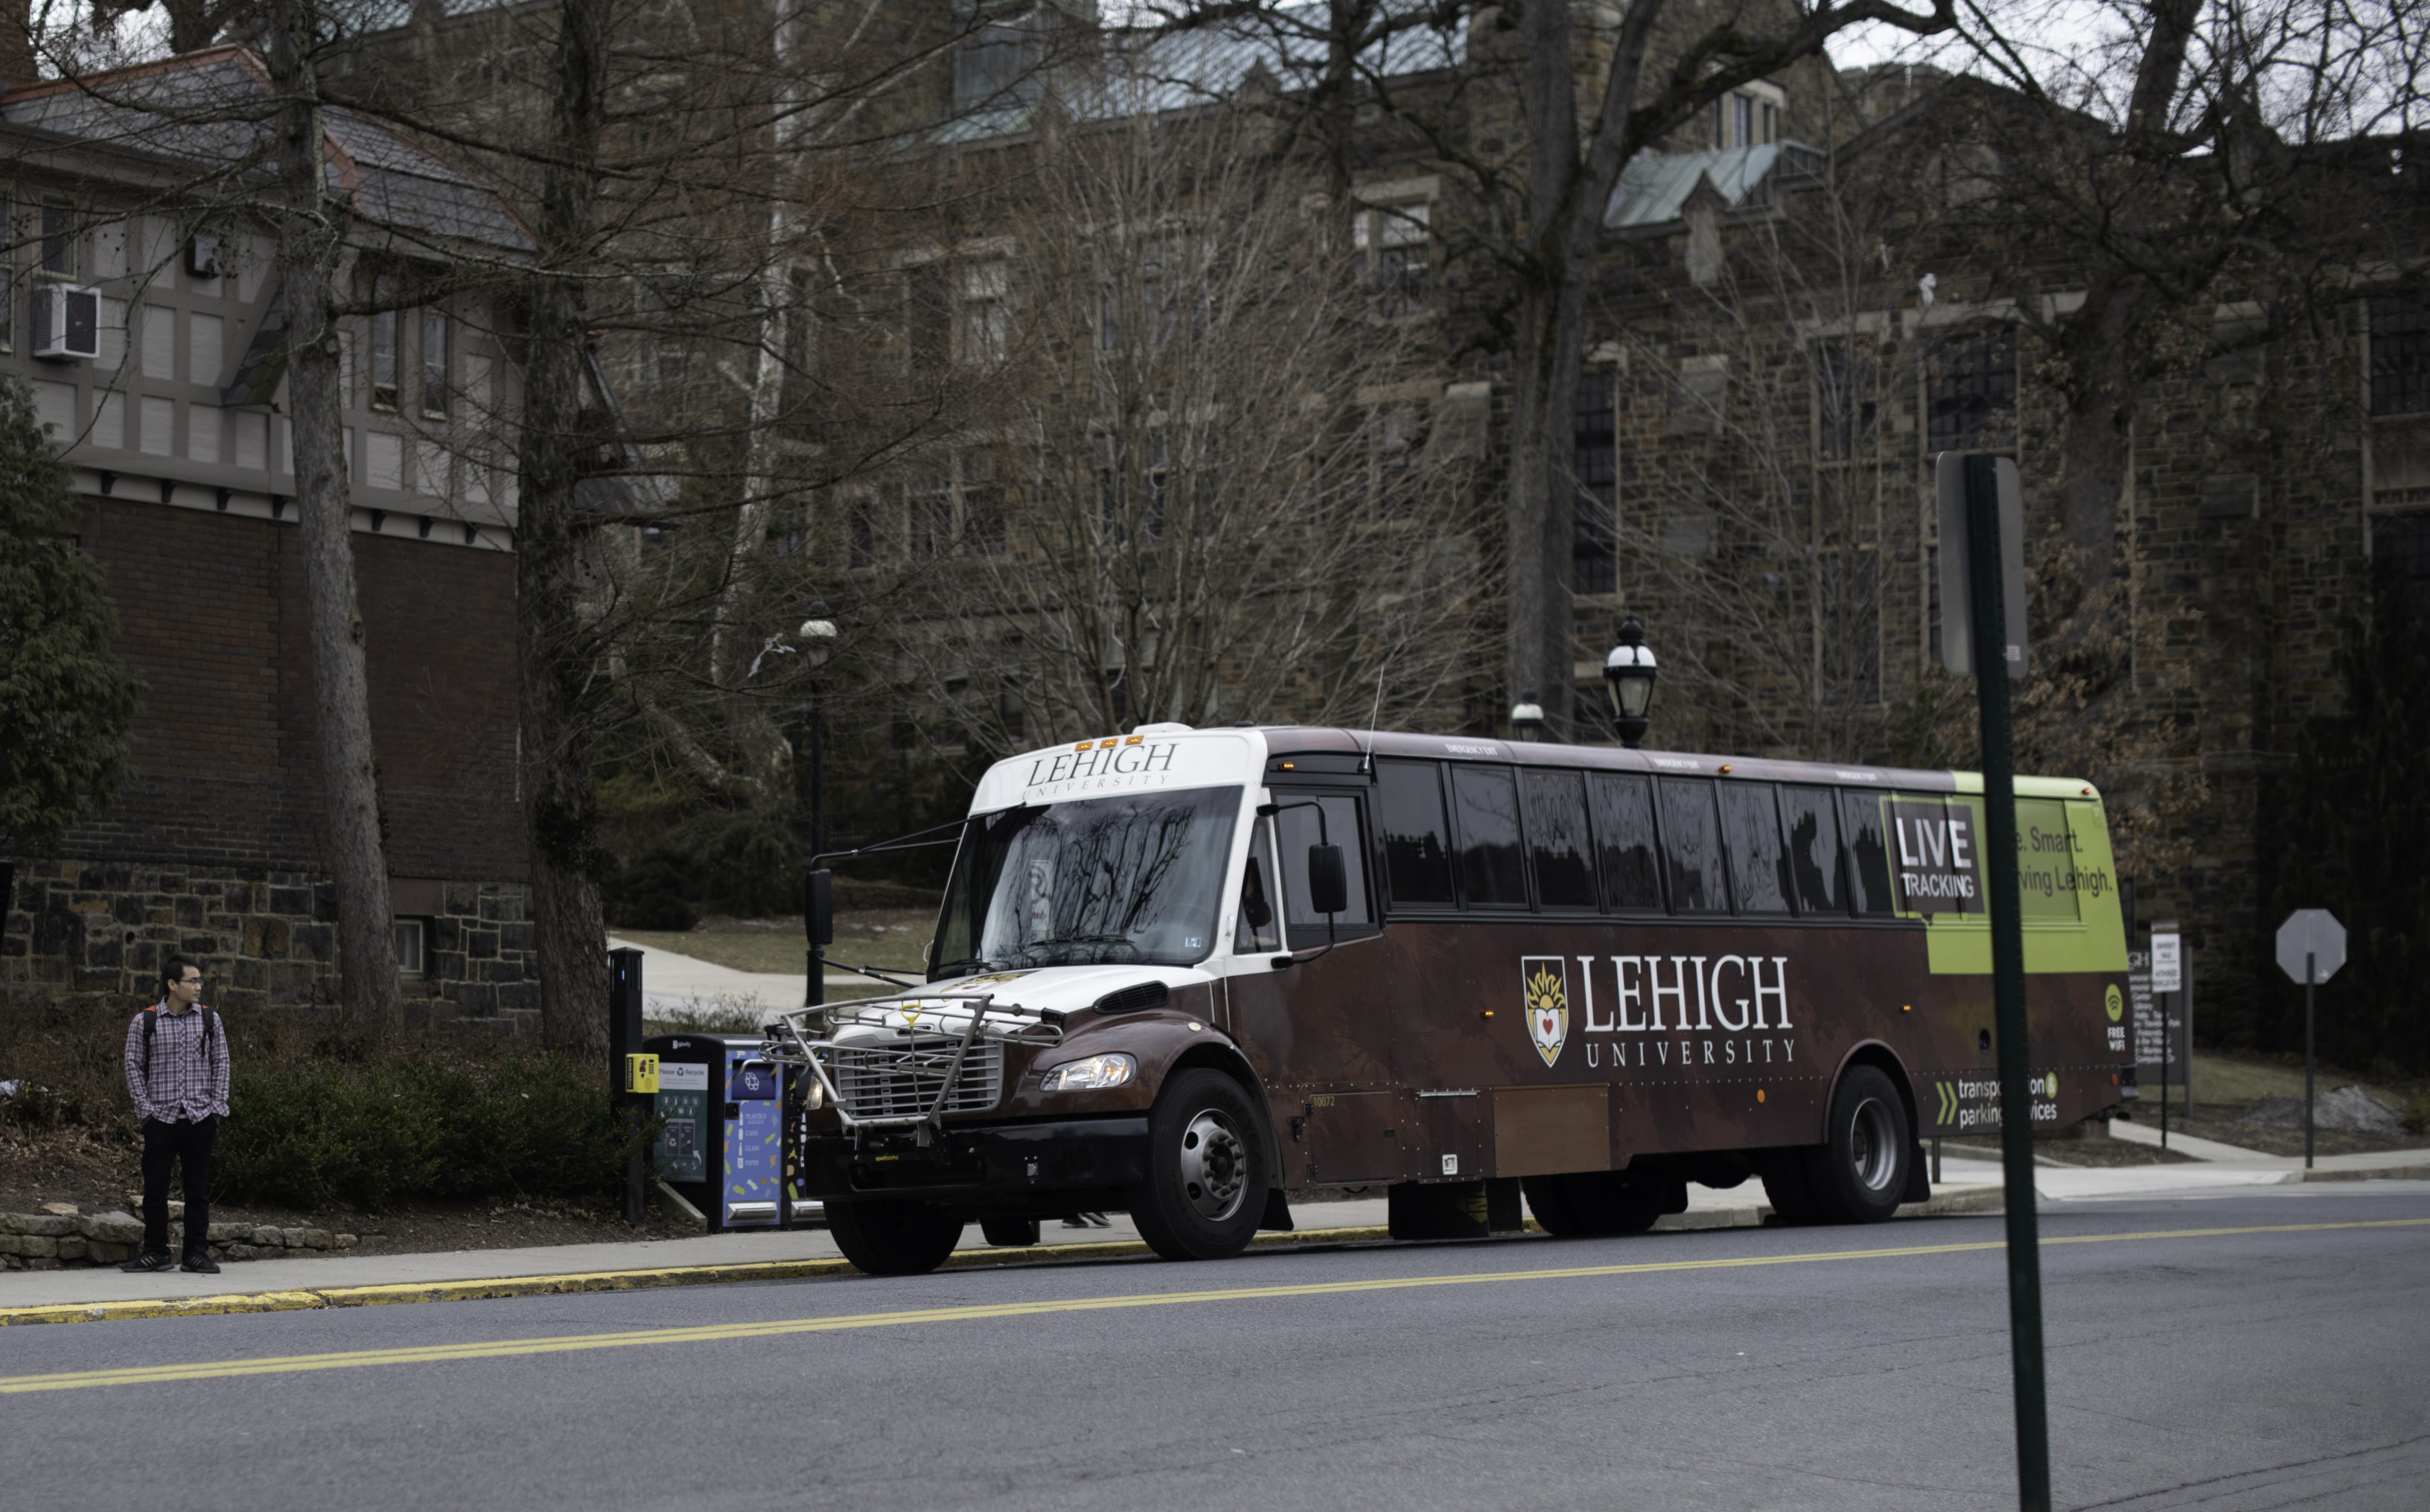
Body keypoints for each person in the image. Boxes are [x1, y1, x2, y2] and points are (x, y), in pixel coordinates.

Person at [120, 955, 229, 1275]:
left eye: (199, 981)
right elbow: (133, 1066)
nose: (198, 987)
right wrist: (146, 1111)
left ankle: (196, 1253)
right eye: (192, 981)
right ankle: (156, 1252)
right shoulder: (146, 1021)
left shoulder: (210, 1020)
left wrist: (216, 1109)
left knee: (197, 1189)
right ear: (172, 984)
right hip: (161, 1120)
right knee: (155, 1190)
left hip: (199, 1119)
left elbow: (221, 1063)